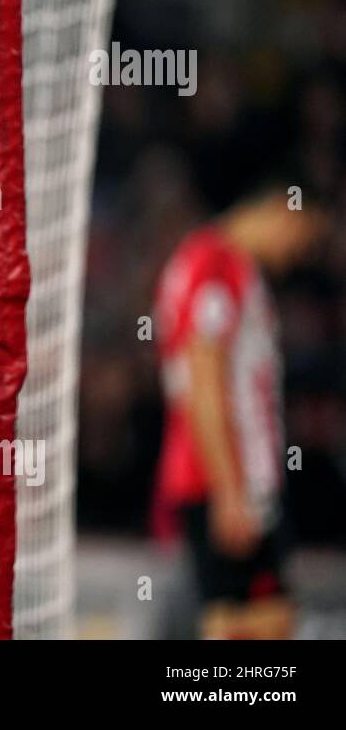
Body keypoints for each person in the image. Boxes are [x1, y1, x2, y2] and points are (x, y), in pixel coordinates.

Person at [152, 185, 324, 638]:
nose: (297, 255)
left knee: (256, 620)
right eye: (300, 236)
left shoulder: (204, 260)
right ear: (279, 210)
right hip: (226, 475)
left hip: (222, 474)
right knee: (247, 625)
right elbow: (204, 375)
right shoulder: (217, 262)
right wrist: (230, 490)